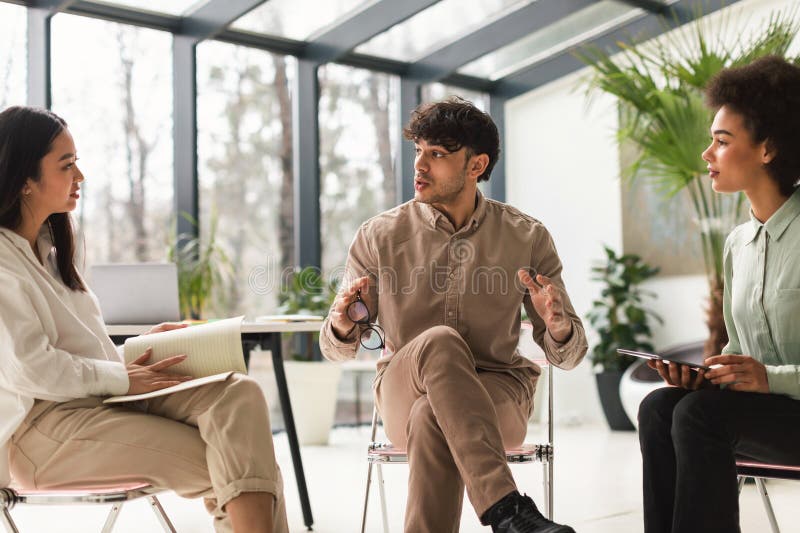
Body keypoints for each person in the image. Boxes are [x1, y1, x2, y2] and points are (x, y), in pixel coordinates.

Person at [0, 105, 288, 533]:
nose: (80, 177)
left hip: (95, 405)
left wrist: (139, 349)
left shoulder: (49, 254)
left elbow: (79, 355)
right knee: (244, 465)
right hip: (42, 434)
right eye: (67, 165)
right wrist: (120, 378)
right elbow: (33, 369)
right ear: (25, 179)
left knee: (238, 397)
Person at [320, 97, 587, 533]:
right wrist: (343, 322)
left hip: (498, 394)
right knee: (439, 345)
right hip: (404, 389)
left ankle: (503, 512)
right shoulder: (379, 236)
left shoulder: (527, 236)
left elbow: (570, 355)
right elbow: (333, 349)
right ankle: (506, 510)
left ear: (477, 165)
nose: (420, 166)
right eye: (418, 152)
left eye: (438, 154)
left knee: (434, 416)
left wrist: (557, 327)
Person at [638, 55, 800, 533]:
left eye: (722, 141)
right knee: (660, 407)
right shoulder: (738, 245)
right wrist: (707, 376)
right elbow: (737, 351)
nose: (706, 153)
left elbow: (765, 374)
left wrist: (772, 379)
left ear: (768, 148)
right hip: (765, 415)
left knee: (700, 418)